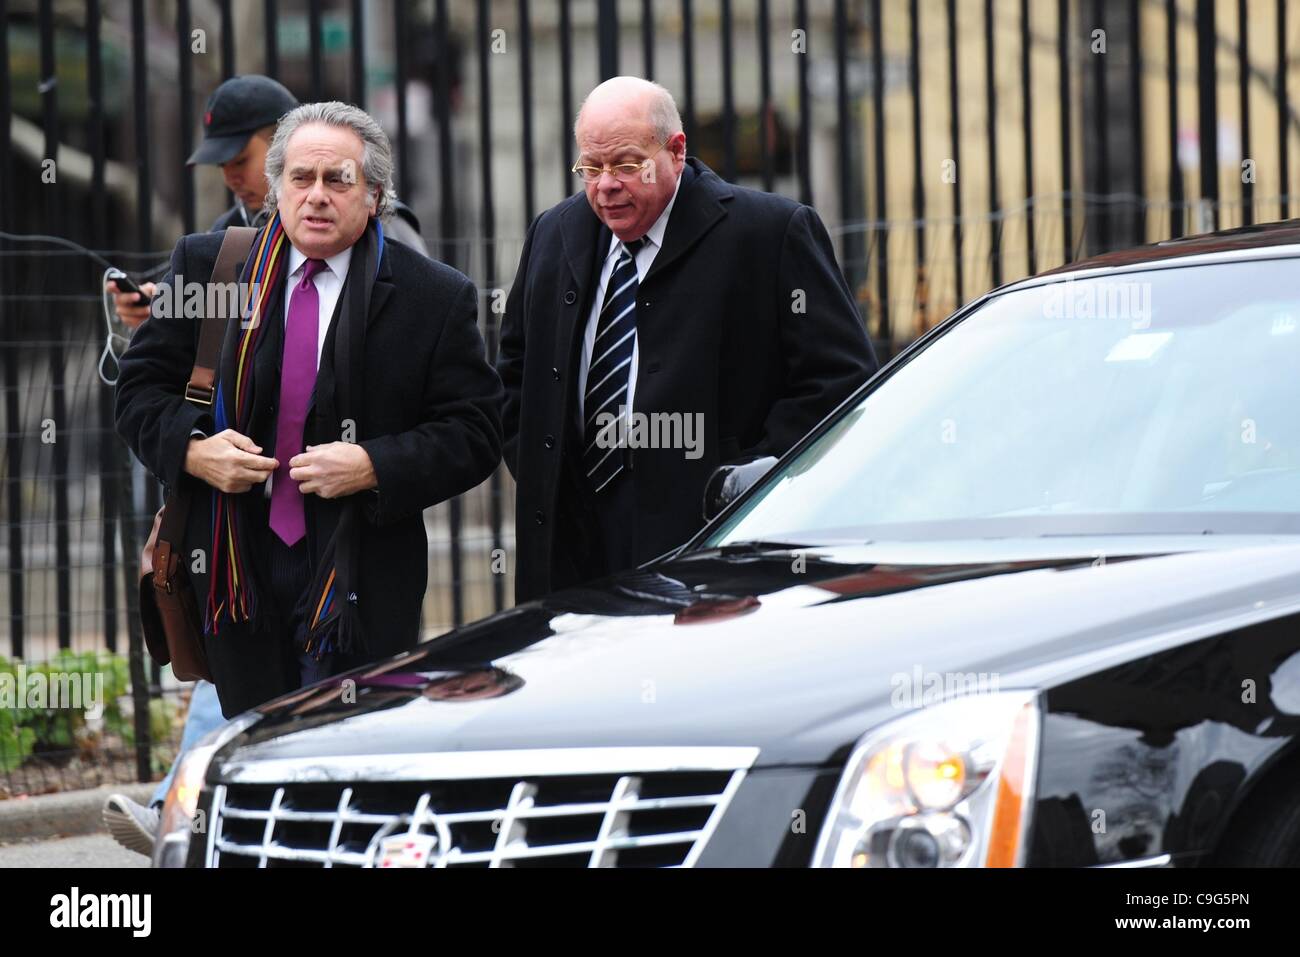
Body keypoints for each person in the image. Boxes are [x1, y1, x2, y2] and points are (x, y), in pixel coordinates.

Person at [115, 101, 501, 717]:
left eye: (338, 180)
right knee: (256, 746)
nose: (317, 195)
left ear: (374, 196)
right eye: (301, 178)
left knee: (348, 753)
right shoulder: (212, 268)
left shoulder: (435, 297)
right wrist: (194, 452)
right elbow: (139, 391)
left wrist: (373, 465)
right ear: (275, 189)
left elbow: (475, 431)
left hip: (360, 575)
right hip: (233, 567)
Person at [498, 76, 877, 603]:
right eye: (591, 167)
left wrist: (744, 483)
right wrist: (545, 470)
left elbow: (841, 385)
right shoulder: (554, 231)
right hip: (574, 545)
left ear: (676, 151)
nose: (605, 185)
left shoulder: (769, 232)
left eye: (627, 165)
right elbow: (516, 370)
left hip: (711, 546)